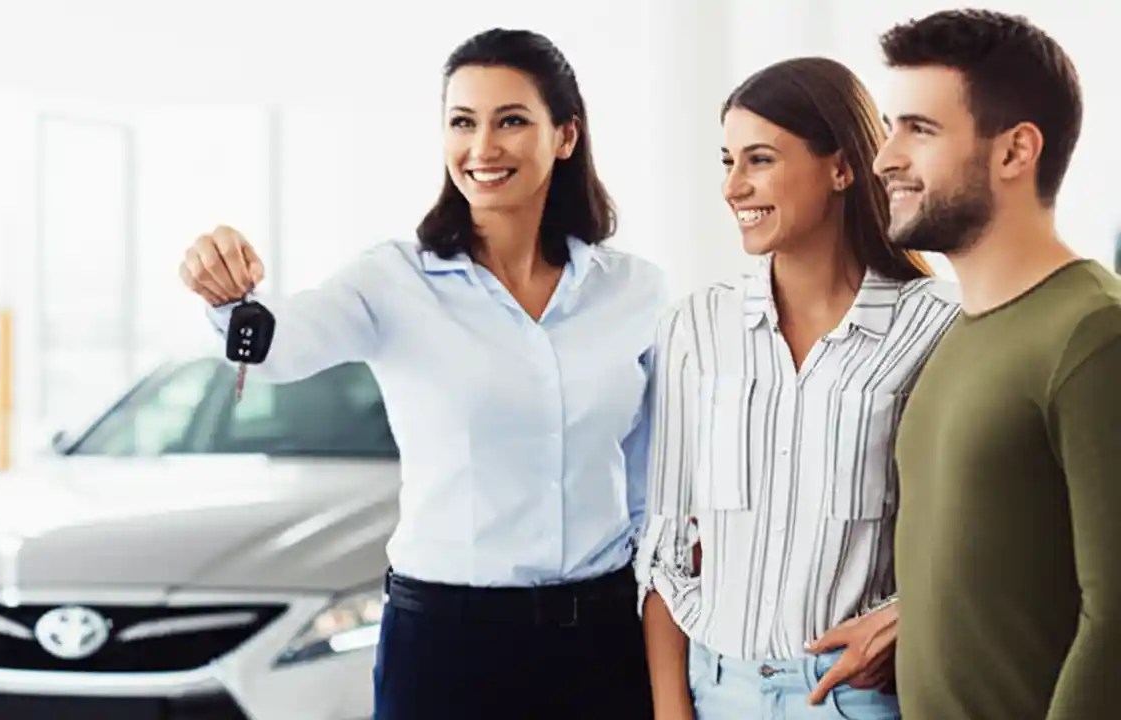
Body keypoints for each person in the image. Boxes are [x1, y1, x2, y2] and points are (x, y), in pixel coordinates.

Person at [179, 28, 664, 720]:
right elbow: (280, 346)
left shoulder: (634, 292)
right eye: (462, 122)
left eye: (511, 121)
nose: (482, 147)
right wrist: (225, 292)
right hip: (447, 644)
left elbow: (650, 486)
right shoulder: (395, 281)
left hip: (600, 635)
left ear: (565, 137)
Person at [636, 56, 960, 720]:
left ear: (841, 167)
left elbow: (981, 531)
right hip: (715, 689)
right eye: (726, 161)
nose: (733, 188)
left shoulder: (940, 326)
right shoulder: (697, 327)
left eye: (758, 160)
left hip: (853, 699)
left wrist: (907, 615)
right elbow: (664, 551)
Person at [874, 10, 1121, 719]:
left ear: (1015, 152)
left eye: (919, 129)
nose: (886, 157)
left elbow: (1117, 618)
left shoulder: (1095, 333)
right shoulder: (962, 331)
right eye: (892, 127)